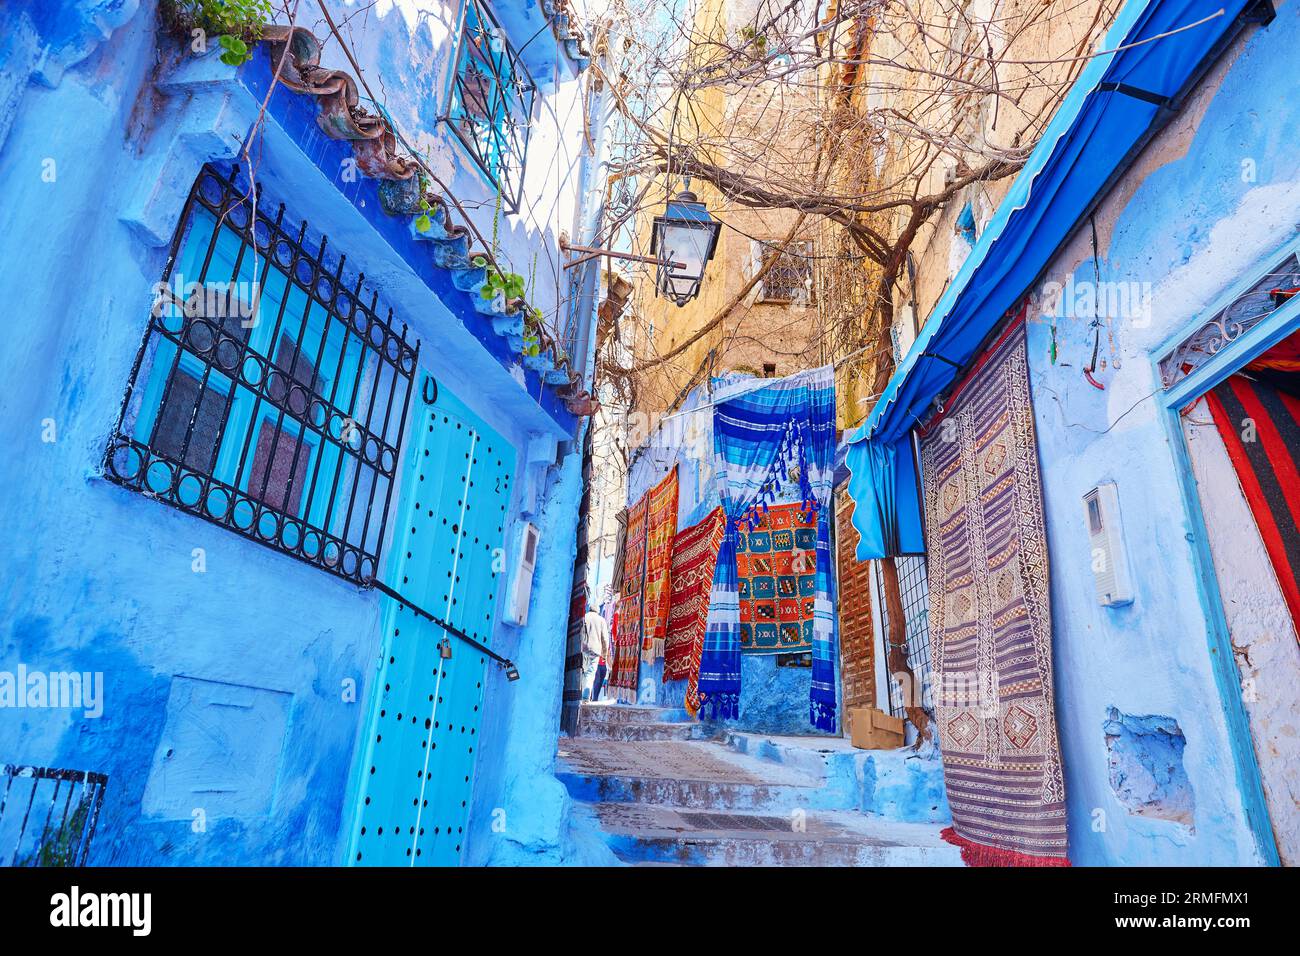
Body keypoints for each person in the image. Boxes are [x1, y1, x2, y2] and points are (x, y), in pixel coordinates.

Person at [581, 603, 610, 702]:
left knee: (583, 672)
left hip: (583, 649)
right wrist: (605, 654)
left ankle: (581, 694)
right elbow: (605, 639)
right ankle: (586, 695)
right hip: (595, 651)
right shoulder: (602, 620)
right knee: (590, 673)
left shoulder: (584, 617)